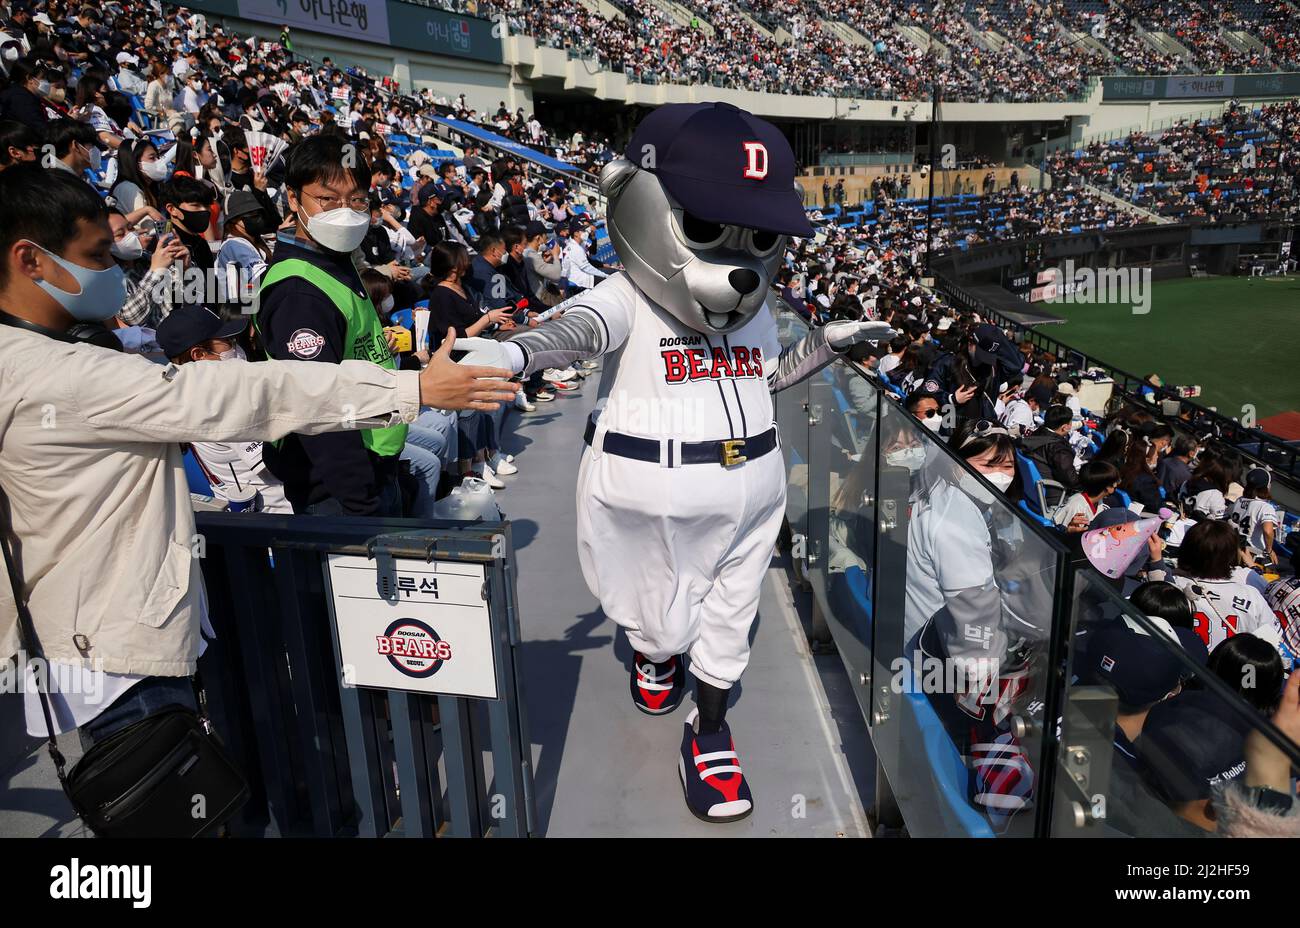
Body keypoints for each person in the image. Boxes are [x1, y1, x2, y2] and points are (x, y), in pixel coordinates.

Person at [0, 165, 516, 752]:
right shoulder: (69, 376)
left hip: (83, 637)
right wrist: (413, 389)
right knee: (163, 782)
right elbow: (253, 393)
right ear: (31, 259)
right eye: (97, 255)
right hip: (117, 654)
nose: (114, 270)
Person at [255, 134, 420, 516]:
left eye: (357, 199)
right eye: (327, 199)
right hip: (340, 493)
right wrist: (363, 504)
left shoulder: (335, 261)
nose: (344, 212)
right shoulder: (299, 293)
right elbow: (318, 409)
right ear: (293, 198)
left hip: (374, 462)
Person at [1170, 520, 1279, 651]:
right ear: (1231, 555)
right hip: (1233, 662)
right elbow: (1275, 642)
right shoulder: (1251, 595)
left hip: (1182, 661)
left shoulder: (1172, 585)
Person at [1019, 404, 1079, 492]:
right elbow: (1071, 480)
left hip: (1031, 489)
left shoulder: (1036, 434)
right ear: (1064, 427)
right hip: (1053, 493)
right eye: (1070, 423)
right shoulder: (1058, 449)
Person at [1229, 468, 1279, 565]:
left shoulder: (1239, 500)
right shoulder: (1265, 507)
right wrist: (1269, 550)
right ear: (1266, 487)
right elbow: (1268, 531)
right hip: (1253, 555)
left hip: (1234, 547)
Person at [1054, 459, 1119, 532]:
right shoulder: (1076, 505)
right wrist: (1067, 531)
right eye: (1115, 481)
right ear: (1107, 487)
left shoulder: (1099, 501)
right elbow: (1057, 530)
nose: (1117, 483)